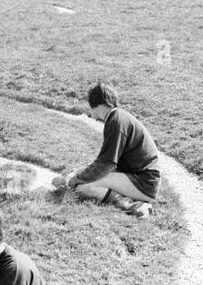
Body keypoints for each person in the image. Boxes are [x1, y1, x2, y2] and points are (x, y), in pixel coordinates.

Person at [53, 82, 162, 219]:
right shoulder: (118, 117)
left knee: (82, 188)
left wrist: (75, 179)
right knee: (85, 179)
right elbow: (104, 161)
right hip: (140, 177)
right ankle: (133, 200)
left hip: (144, 182)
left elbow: (106, 164)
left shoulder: (115, 121)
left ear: (96, 105)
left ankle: (132, 204)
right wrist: (79, 172)